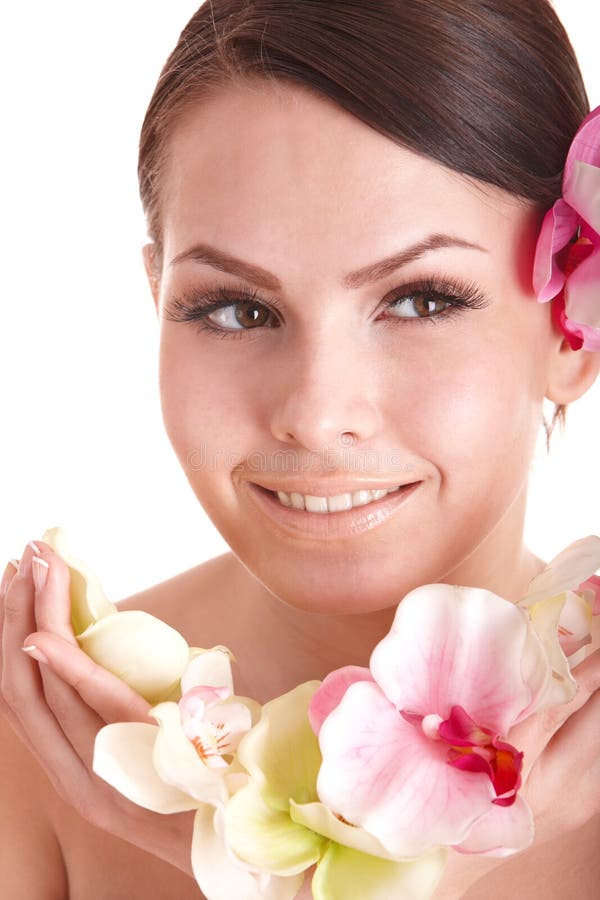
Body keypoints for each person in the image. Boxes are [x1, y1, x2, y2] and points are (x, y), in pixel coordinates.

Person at [1, 1, 599, 897]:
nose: (316, 415)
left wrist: (261, 874)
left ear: (572, 331)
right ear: (158, 296)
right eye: (236, 309)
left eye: (421, 299)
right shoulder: (28, 739)